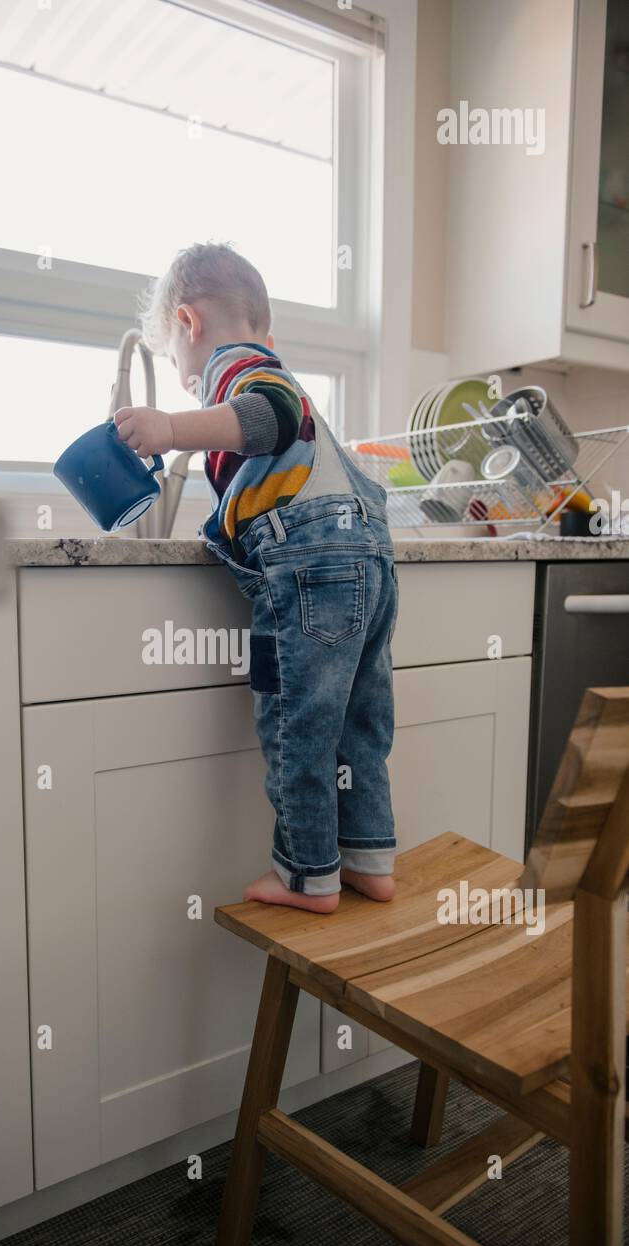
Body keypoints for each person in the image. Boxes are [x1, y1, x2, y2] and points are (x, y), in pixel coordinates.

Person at [115, 243, 398, 914]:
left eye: (179, 364)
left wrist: (170, 427)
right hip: (366, 556)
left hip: (310, 565)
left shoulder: (238, 367)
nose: (187, 380)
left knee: (296, 721)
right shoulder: (268, 364)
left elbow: (264, 419)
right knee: (358, 720)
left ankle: (308, 876)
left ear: (188, 325)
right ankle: (368, 859)